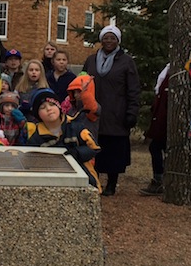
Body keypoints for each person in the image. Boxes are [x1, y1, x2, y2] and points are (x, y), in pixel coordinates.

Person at [82, 25, 140, 196]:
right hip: (93, 113)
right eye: (106, 37)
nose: (109, 41)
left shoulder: (127, 61)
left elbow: (134, 89)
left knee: (113, 151)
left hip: (116, 113)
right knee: (93, 148)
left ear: (118, 41)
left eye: (112, 38)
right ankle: (95, 180)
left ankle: (112, 184)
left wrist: (132, 112)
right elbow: (82, 82)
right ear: (101, 40)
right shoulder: (91, 60)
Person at [24, 88, 101, 193]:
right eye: (42, 107)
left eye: (52, 105)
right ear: (38, 114)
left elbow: (94, 148)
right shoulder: (36, 137)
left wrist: (77, 153)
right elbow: (30, 160)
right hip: (51, 181)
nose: (48, 109)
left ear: (59, 106)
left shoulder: (75, 126)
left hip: (83, 176)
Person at [140, 64, 170, 196]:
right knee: (156, 148)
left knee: (157, 147)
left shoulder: (172, 77)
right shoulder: (167, 74)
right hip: (161, 120)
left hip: (165, 122)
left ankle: (160, 180)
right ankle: (160, 179)